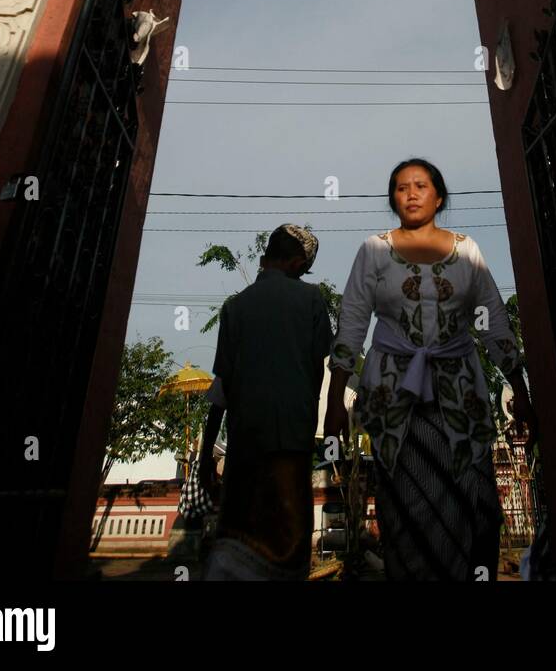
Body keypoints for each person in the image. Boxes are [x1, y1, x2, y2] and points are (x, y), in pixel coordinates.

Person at [324, 159, 537, 581]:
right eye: (402, 188)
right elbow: (351, 322)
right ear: (393, 199)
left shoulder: (467, 250)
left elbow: (492, 319)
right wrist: (334, 403)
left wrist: (521, 390)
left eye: (421, 185)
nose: (411, 193)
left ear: (438, 196)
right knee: (407, 506)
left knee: (474, 502)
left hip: (460, 394)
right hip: (393, 400)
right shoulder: (373, 250)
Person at [199, 224, 332, 580]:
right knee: (287, 553)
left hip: (244, 450)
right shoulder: (313, 301)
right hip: (293, 441)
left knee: (239, 544)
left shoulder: (234, 309)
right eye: (304, 268)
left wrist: (204, 458)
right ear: (296, 264)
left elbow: (220, 394)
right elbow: (318, 369)